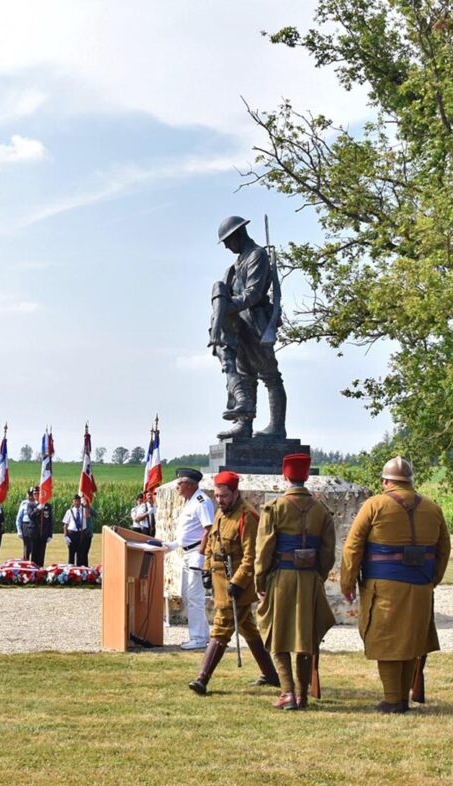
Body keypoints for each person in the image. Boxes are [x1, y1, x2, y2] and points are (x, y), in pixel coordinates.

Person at [255, 453, 336, 710]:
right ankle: (301, 696)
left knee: (276, 635)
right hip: (310, 578)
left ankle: (288, 693)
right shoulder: (321, 510)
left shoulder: (275, 508)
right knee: (306, 638)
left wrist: (260, 581)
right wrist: (318, 576)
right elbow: (328, 553)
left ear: (285, 476)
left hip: (282, 578)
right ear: (307, 476)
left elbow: (263, 551)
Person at [191, 469, 278, 694]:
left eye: (224, 496)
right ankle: (270, 674)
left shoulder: (247, 516)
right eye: (217, 496)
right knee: (247, 627)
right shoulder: (221, 513)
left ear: (235, 493)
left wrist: (238, 582)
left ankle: (202, 679)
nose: (220, 500)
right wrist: (207, 568)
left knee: (221, 626)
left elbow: (252, 555)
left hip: (239, 585)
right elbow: (212, 543)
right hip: (220, 580)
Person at [209, 215, 286, 440]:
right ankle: (244, 424)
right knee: (244, 376)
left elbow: (253, 293)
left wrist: (229, 306)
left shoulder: (257, 255)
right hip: (239, 324)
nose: (226, 246)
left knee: (270, 375)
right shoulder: (236, 265)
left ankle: (277, 427)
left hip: (256, 322)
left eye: (227, 240)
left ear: (238, 235)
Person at [159, 468, 216, 651]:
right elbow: (188, 534)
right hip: (187, 553)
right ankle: (202, 635)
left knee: (194, 598)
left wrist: (201, 555)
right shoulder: (190, 501)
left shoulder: (202, 501)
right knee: (187, 595)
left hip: (196, 555)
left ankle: (198, 638)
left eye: (180, 483)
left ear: (190, 484)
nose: (177, 486)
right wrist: (171, 546)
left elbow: (209, 530)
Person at [62, 495, 94, 565]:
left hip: (81, 534)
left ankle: (79, 569)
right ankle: (71, 569)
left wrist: (86, 505)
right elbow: (65, 525)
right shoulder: (69, 511)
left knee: (80, 554)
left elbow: (87, 515)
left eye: (78, 501)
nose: (77, 503)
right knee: (71, 554)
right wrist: (65, 536)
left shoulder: (84, 510)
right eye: (75, 501)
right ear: (73, 502)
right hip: (72, 534)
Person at [27, 494, 54, 566]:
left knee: (41, 554)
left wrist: (50, 534)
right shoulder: (31, 505)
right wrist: (38, 509)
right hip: (34, 534)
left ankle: (40, 570)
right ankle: (34, 570)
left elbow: (50, 521)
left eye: (38, 493)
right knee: (34, 554)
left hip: (43, 534)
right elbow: (31, 516)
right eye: (35, 494)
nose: (36, 495)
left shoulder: (48, 506)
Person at [16, 487, 37, 562]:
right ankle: (25, 562)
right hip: (25, 525)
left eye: (32, 495)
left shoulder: (37, 503)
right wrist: (19, 530)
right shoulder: (24, 503)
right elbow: (19, 518)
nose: (30, 497)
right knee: (26, 546)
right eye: (29, 495)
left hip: (34, 526)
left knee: (34, 547)